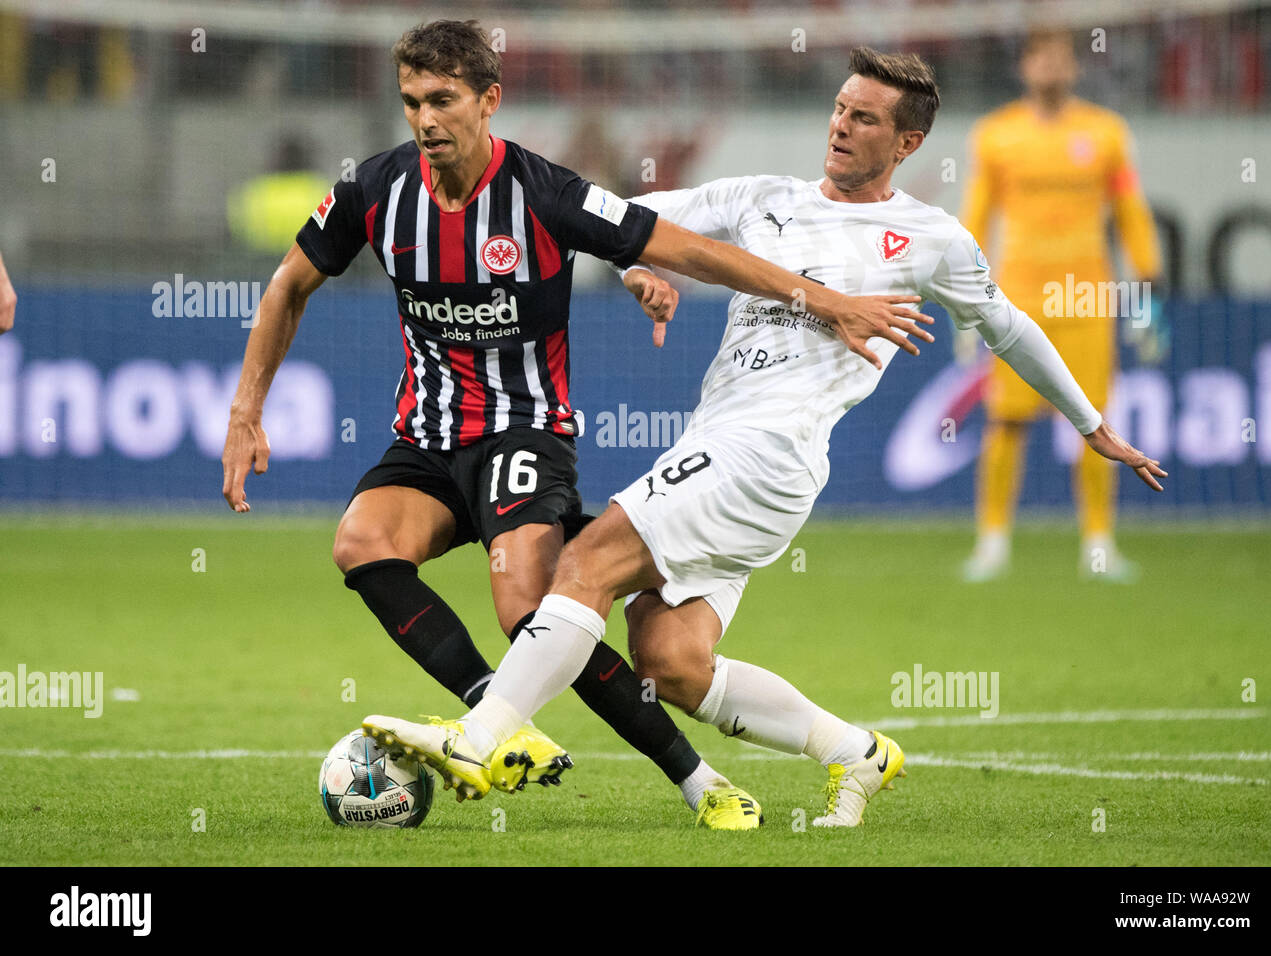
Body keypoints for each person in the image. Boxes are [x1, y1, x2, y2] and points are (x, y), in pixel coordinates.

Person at [361, 45, 1167, 829]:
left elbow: (1009, 327)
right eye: (840, 109)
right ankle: (853, 751)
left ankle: (478, 739)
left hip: (768, 454)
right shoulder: (761, 198)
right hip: (725, 449)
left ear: (908, 143)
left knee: (584, 564)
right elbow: (618, 220)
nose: (841, 126)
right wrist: (637, 268)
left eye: (865, 118)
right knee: (670, 662)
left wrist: (1091, 424)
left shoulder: (931, 239)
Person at [221, 21, 929, 829]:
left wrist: (820, 298)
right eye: (412, 101)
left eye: (443, 100)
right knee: (361, 542)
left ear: (489, 100)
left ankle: (701, 782)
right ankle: (498, 720)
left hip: (524, 434)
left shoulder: (545, 193)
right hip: (428, 434)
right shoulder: (376, 190)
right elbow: (287, 285)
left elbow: (687, 249)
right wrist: (246, 411)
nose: (425, 119)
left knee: (535, 607)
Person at [959, 29, 1164, 583]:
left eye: (1060, 57)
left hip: (1086, 297)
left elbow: (1130, 208)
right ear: (1024, 67)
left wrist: (1149, 275)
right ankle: (992, 543)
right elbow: (977, 214)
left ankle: (1098, 546)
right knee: (1006, 421)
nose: (1050, 67)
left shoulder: (1105, 132)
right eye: (1040, 57)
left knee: (1096, 422)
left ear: (1075, 67)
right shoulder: (996, 135)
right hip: (1018, 301)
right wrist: (960, 286)